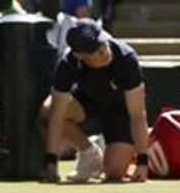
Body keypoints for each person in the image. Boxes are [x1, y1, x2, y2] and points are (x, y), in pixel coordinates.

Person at [42, 19, 150, 183]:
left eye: (102, 42)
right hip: (87, 103)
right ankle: (88, 152)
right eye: (95, 49)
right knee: (48, 109)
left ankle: (106, 144)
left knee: (113, 174)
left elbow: (137, 114)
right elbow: (56, 114)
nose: (104, 50)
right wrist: (51, 161)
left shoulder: (126, 58)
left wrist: (143, 161)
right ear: (79, 55)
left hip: (120, 111)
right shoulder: (67, 63)